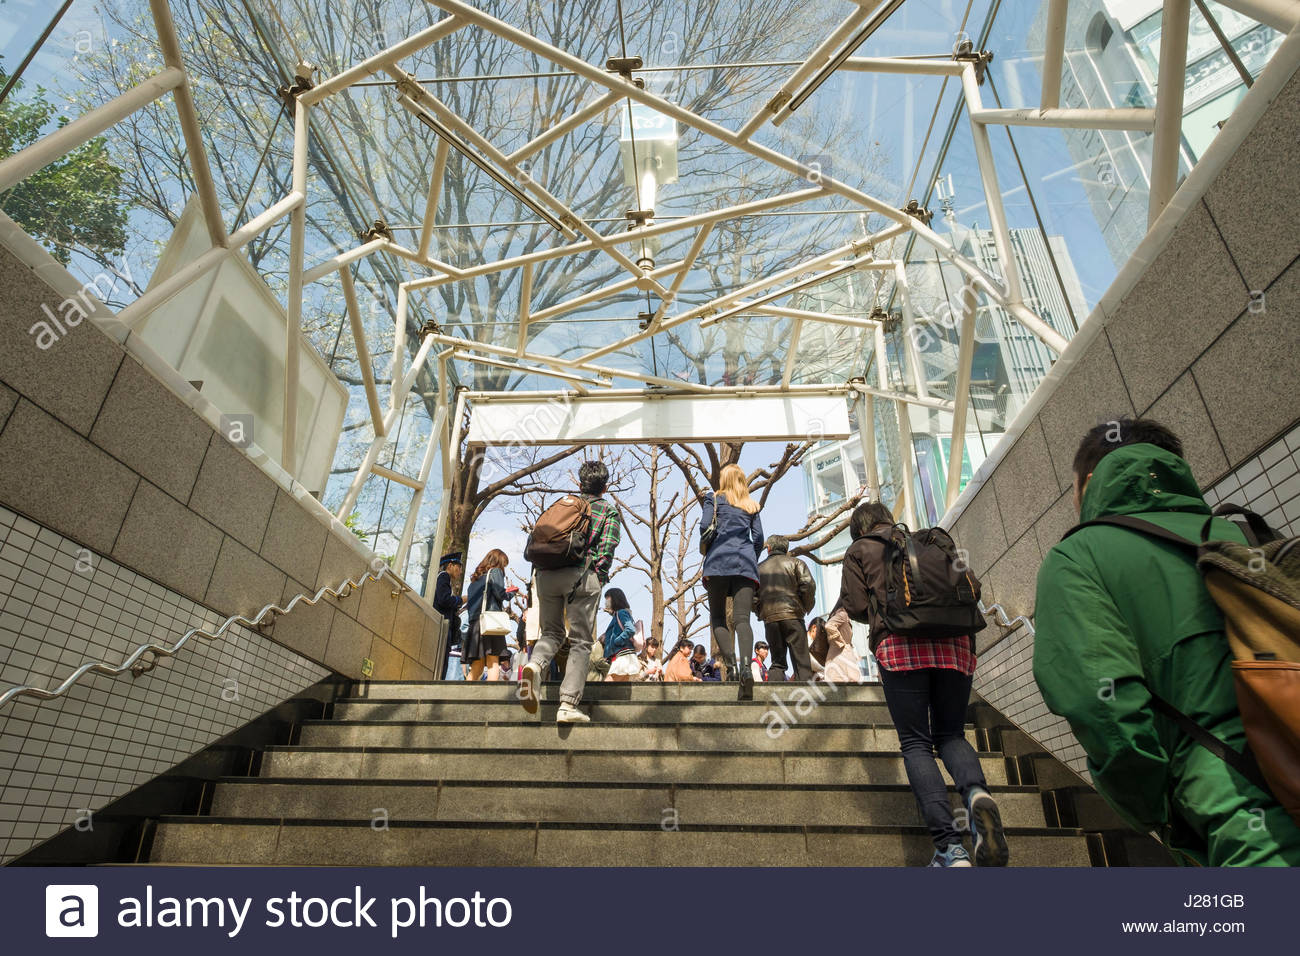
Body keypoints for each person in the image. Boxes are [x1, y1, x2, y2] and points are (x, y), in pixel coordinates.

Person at [1033, 417, 1300, 866]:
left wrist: (1152, 809)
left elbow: (1102, 706)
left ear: (1091, 482)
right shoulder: (1245, 534)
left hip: (1244, 807)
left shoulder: (1077, 556)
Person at [839, 500, 1006, 868]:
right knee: (951, 735)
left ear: (859, 528)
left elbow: (852, 606)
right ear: (887, 519)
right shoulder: (929, 540)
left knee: (916, 743)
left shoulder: (860, 549)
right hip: (955, 642)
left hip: (900, 644)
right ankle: (977, 795)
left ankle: (951, 849)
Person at [518, 460, 623, 723]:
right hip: (580, 577)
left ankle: (534, 665)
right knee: (580, 641)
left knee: (552, 632)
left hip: (545, 574)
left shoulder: (564, 507)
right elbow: (607, 548)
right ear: (605, 486)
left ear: (579, 483)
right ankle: (567, 705)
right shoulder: (607, 511)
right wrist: (597, 577)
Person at [700, 463, 765, 700]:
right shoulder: (751, 505)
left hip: (717, 563)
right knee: (741, 619)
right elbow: (758, 538)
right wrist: (749, 559)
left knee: (718, 617)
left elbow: (704, 526)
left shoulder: (714, 499)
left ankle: (733, 667)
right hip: (745, 564)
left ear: (723, 479)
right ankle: (748, 667)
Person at [756, 535, 816, 682]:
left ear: (768, 548)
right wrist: (804, 607)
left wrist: (760, 611)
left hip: (770, 619)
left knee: (777, 662)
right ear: (786, 548)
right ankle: (807, 697)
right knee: (801, 661)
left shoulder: (758, 569)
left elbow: (752, 595)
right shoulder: (797, 563)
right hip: (793, 616)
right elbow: (808, 586)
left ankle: (774, 696)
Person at [464, 549, 510, 682]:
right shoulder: (496, 572)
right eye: (504, 564)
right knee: (493, 662)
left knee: (477, 666)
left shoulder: (475, 580)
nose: (504, 568)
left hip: (475, 625)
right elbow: (500, 593)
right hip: (490, 622)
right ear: (499, 561)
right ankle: (491, 699)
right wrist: (511, 593)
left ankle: (461, 694)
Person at [431, 552, 464, 680]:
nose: (460, 571)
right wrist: (461, 600)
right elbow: (444, 600)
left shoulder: (444, 578)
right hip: (441, 625)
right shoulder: (443, 576)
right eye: (459, 567)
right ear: (450, 565)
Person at [603, 588, 641, 682]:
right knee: (619, 690)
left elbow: (630, 629)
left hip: (624, 656)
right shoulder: (620, 613)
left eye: (607, 598)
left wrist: (617, 640)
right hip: (624, 655)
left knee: (607, 685)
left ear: (614, 599)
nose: (606, 602)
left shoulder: (621, 612)